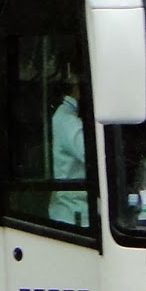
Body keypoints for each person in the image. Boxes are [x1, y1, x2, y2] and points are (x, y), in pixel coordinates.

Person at [48, 65, 89, 227]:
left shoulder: (73, 117)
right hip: (72, 217)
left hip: (81, 213)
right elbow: (93, 156)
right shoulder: (66, 119)